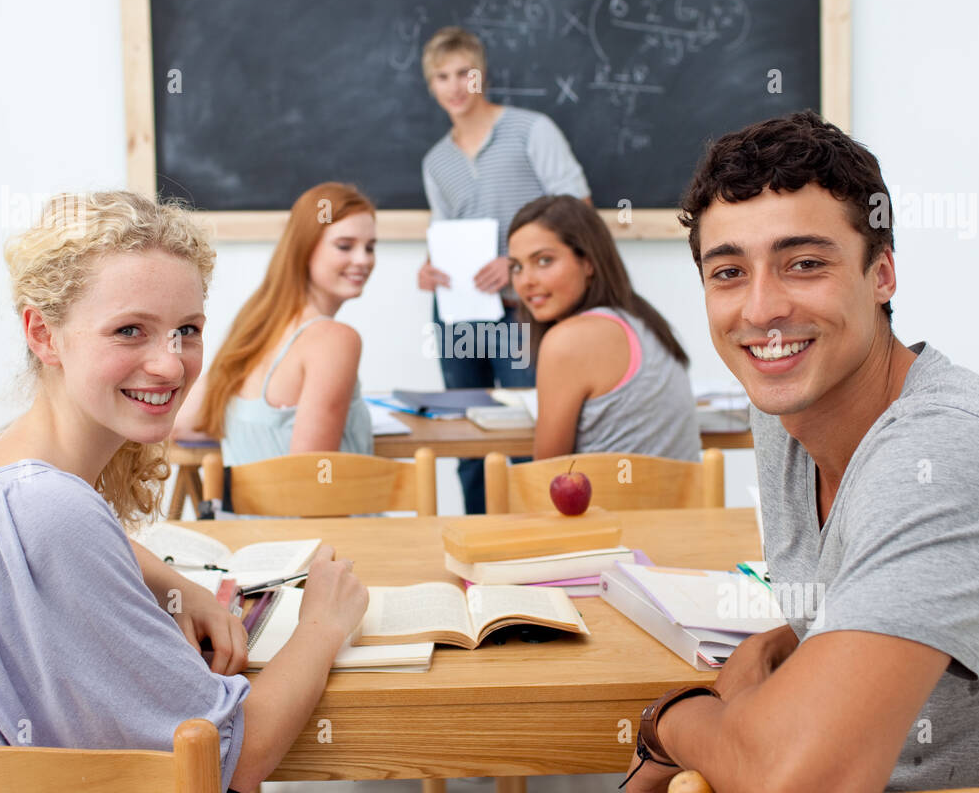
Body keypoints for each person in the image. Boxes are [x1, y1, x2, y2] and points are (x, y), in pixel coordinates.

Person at [621, 111, 979, 793]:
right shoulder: (789, 408)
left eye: (805, 263)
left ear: (881, 273)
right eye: (729, 272)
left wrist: (671, 721)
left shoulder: (948, 452)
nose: (763, 309)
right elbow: (881, 582)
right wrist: (785, 641)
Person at [0, 191, 396, 793]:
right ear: (44, 334)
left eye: (188, 329)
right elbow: (235, 762)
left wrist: (179, 585)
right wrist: (324, 623)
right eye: (131, 330)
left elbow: (59, 537)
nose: (171, 361)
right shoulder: (48, 511)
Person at [416, 26, 591, 511]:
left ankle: (534, 531)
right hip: (460, 312)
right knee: (468, 431)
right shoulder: (436, 161)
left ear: (481, 77)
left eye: (462, 74)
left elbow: (577, 207)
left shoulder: (532, 130)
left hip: (521, 308)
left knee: (526, 427)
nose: (453, 86)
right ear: (431, 85)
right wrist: (430, 268)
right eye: (441, 77)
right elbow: (444, 231)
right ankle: (478, 533)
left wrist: (514, 265)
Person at [175, 183, 375, 473]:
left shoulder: (257, 322)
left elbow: (181, 424)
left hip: (240, 516)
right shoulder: (335, 340)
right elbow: (311, 484)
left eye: (370, 247)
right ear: (305, 247)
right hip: (314, 517)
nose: (363, 260)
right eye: (345, 246)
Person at [506, 194, 700, 460]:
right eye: (516, 267)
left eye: (544, 261)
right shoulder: (642, 320)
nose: (526, 281)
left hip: (607, 501)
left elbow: (547, 474)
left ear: (588, 262)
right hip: (684, 501)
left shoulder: (568, 341)